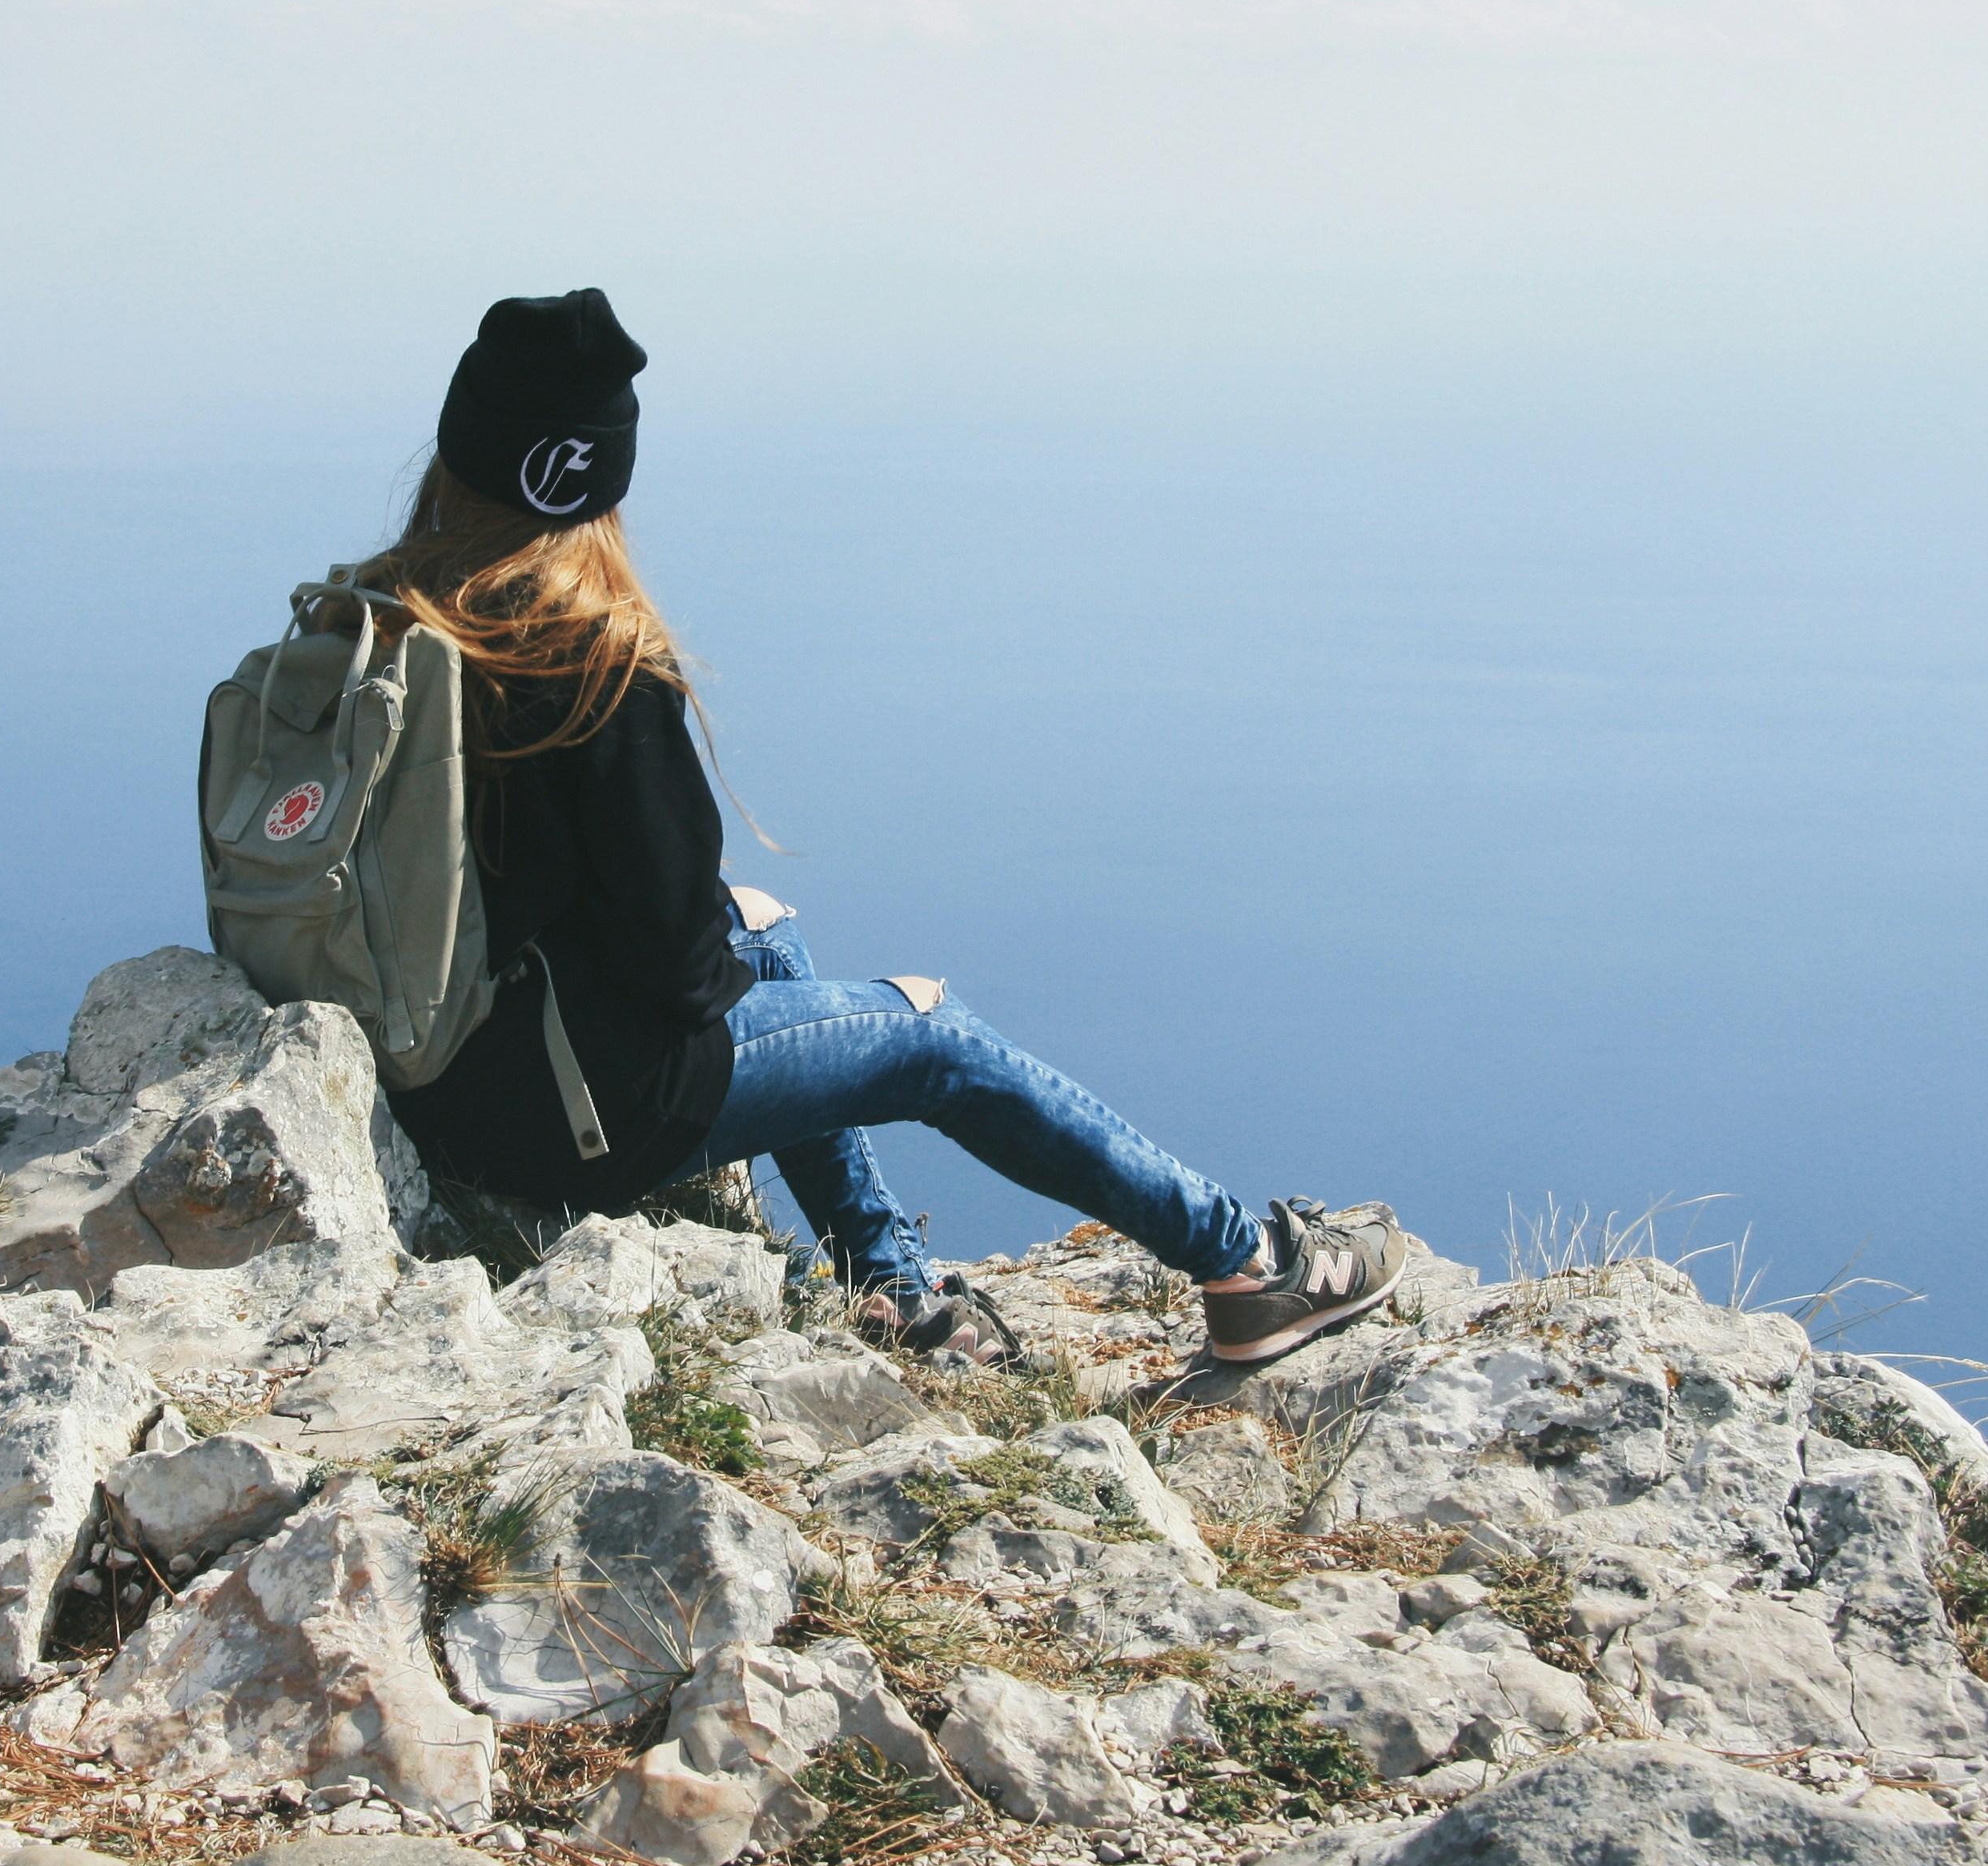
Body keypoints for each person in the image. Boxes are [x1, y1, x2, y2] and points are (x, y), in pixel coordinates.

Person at [365, 288, 1408, 1374]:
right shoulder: (584, 662)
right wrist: (710, 942)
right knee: (935, 1035)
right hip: (571, 1116)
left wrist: (723, 939)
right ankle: (1250, 1269)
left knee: (769, 940)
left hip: (442, 1081)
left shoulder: (386, 621)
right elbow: (672, 974)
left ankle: (889, 1287)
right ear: (595, 476)